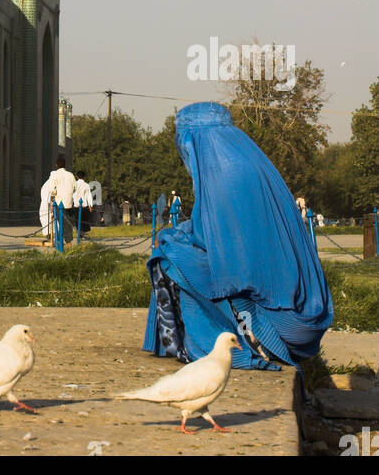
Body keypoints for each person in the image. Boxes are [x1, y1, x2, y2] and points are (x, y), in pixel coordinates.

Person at [143, 102, 333, 370]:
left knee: (169, 258)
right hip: (303, 318)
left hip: (278, 324)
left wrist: (172, 239)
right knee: (178, 247)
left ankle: (240, 343)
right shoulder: (247, 161)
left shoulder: (224, 175)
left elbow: (230, 263)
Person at [39, 169, 57, 241]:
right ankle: (51, 237)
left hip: (45, 205)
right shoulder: (51, 184)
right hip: (48, 205)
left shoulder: (46, 184)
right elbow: (50, 195)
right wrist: (51, 205)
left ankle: (49, 236)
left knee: (46, 221)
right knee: (50, 221)